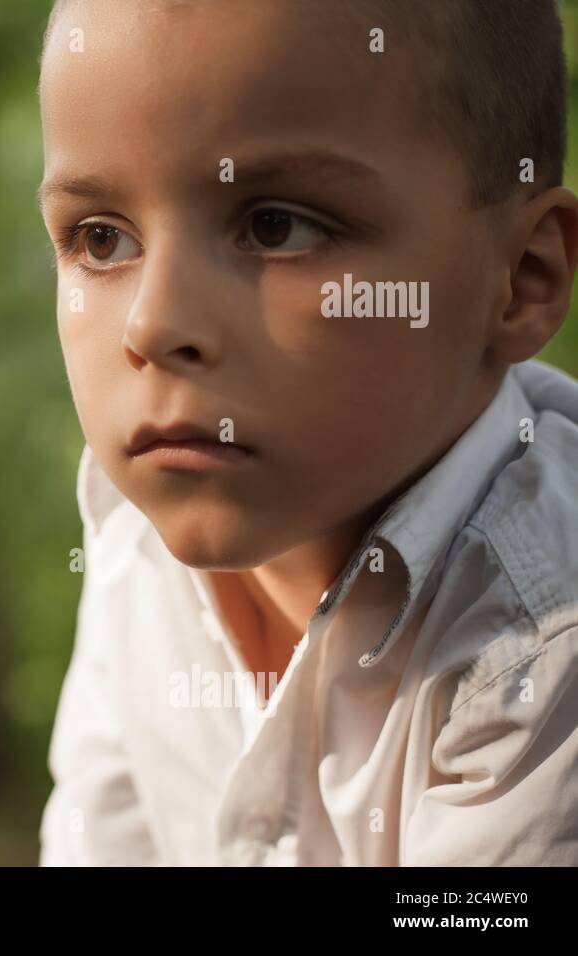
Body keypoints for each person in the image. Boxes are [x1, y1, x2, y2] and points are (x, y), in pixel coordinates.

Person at [36, 0, 578, 865]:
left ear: (521, 278)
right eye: (101, 240)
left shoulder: (544, 648)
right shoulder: (129, 539)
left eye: (276, 225)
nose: (152, 323)